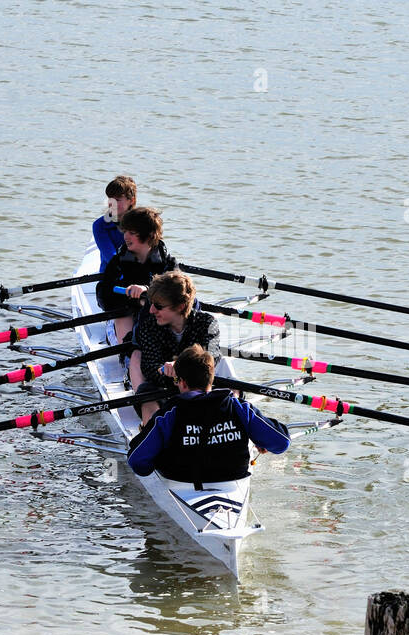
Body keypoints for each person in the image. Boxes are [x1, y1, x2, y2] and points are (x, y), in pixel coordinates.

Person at [128, 345, 290, 483]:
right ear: (210, 380)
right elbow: (281, 443)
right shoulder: (239, 408)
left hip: (182, 483)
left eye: (177, 381)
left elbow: (137, 462)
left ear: (182, 382)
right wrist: (260, 439)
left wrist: (159, 456)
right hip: (231, 481)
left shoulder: (169, 414)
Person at [130, 270, 219, 423]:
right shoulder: (149, 325)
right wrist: (166, 370)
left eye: (158, 306)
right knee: (146, 392)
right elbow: (150, 367)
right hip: (165, 389)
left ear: (180, 306)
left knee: (233, 389)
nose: (151, 311)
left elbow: (212, 357)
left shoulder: (207, 323)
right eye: (151, 304)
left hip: (200, 387)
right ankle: (152, 431)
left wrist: (181, 367)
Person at [97, 206, 177, 344]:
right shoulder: (118, 261)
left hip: (154, 317)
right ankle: (128, 356)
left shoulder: (168, 263)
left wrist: (146, 290)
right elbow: (103, 295)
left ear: (150, 235)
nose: (125, 237)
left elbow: (177, 295)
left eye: (132, 232)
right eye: (125, 231)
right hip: (123, 317)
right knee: (124, 314)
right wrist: (131, 296)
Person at [92, 175, 138, 267]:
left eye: (117, 199)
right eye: (110, 198)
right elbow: (111, 258)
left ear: (131, 201)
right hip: (112, 273)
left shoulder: (143, 222)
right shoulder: (100, 225)